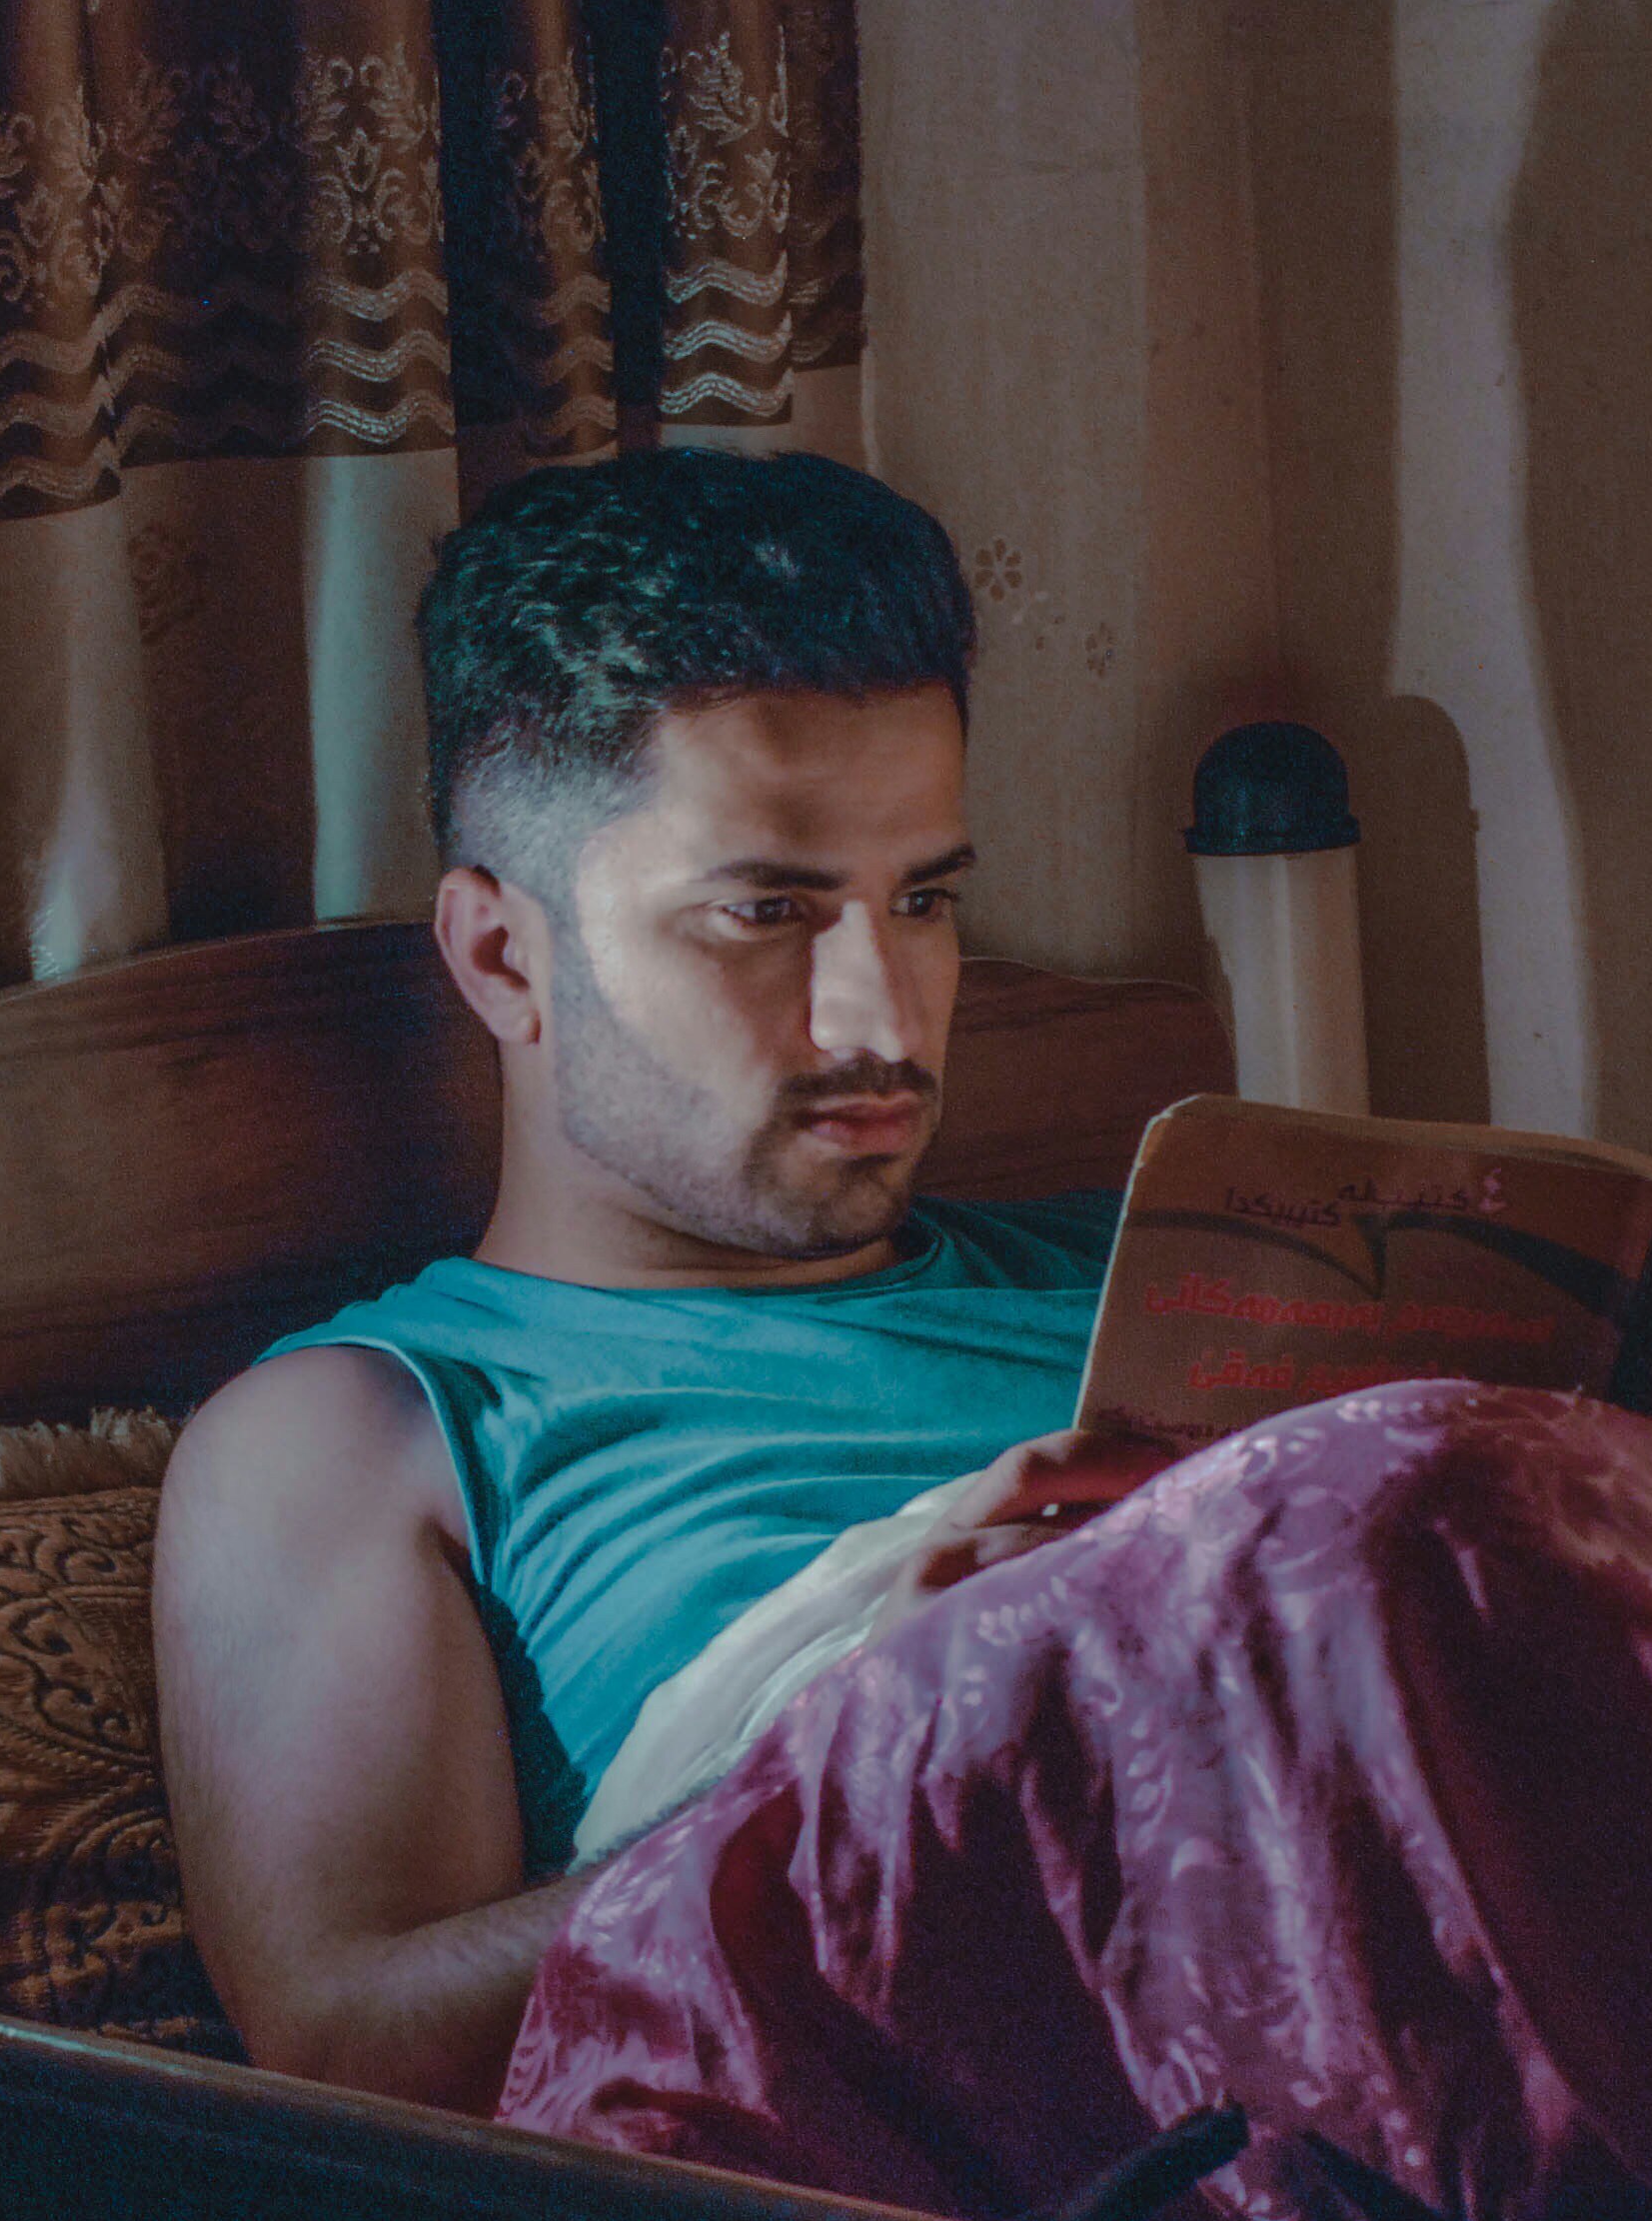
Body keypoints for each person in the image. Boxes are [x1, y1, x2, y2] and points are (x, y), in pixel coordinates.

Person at [153, 450, 1171, 2113]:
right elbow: (350, 2050)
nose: (882, 1017)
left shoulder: (1165, 1266)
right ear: (505, 956)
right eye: (765, 912)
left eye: (923, 899)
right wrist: (873, 1753)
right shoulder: (365, 1435)